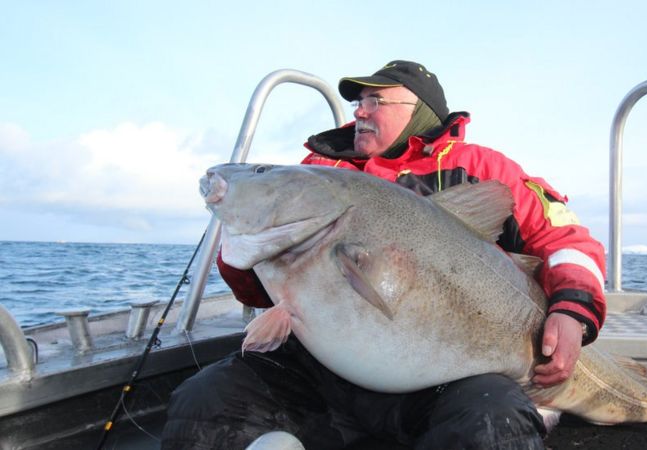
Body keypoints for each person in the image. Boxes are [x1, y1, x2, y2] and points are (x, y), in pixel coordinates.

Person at [162, 60, 607, 450]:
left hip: (448, 378)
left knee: (496, 424)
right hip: (321, 368)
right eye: (359, 102)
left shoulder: (484, 168)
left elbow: (567, 238)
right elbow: (255, 293)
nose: (360, 111)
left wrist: (572, 312)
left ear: (421, 111)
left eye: (376, 101)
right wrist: (247, 242)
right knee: (204, 402)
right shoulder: (322, 171)